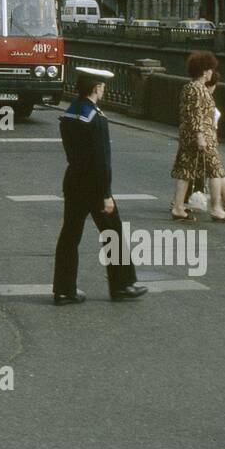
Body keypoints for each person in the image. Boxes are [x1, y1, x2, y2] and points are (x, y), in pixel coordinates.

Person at [51, 67, 148, 304]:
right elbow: (102, 161)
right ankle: (122, 285)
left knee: (70, 235)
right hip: (94, 185)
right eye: (103, 86)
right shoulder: (96, 118)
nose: (104, 90)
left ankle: (64, 290)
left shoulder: (70, 113)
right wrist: (106, 194)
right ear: (96, 88)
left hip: (73, 179)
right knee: (112, 232)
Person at [168, 51, 225, 222]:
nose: (212, 72)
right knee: (216, 171)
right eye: (210, 69)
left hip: (188, 136)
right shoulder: (198, 89)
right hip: (202, 137)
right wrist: (200, 136)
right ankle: (217, 209)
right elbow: (196, 114)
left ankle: (178, 208)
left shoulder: (188, 87)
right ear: (204, 71)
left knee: (185, 171)